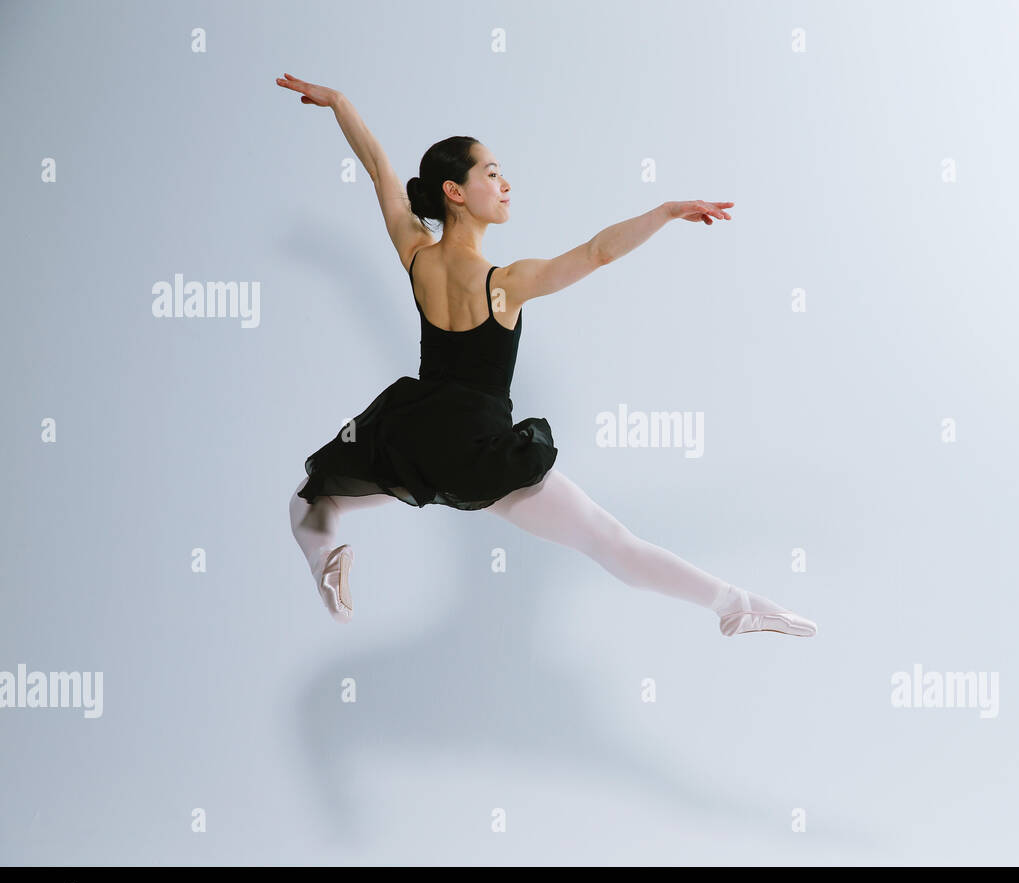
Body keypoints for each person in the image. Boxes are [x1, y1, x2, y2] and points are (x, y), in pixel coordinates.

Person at [276, 73, 816, 639]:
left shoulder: (415, 256)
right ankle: (735, 604)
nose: (505, 184)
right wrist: (664, 211)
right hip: (479, 449)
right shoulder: (505, 283)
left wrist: (339, 103)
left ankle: (325, 561)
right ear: (455, 193)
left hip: (414, 432)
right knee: (609, 542)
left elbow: (379, 170)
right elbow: (597, 253)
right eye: (491, 174)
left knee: (308, 500)